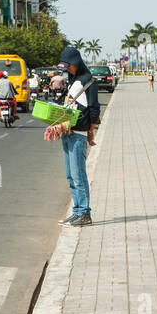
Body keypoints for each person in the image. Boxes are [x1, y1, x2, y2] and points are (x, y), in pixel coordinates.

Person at [53, 47, 100, 227]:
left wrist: (90, 132)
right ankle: (77, 211)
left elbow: (94, 109)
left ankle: (84, 214)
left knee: (79, 175)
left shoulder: (89, 80)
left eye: (69, 66)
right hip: (67, 132)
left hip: (78, 134)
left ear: (77, 62)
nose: (67, 69)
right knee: (70, 176)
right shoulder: (73, 80)